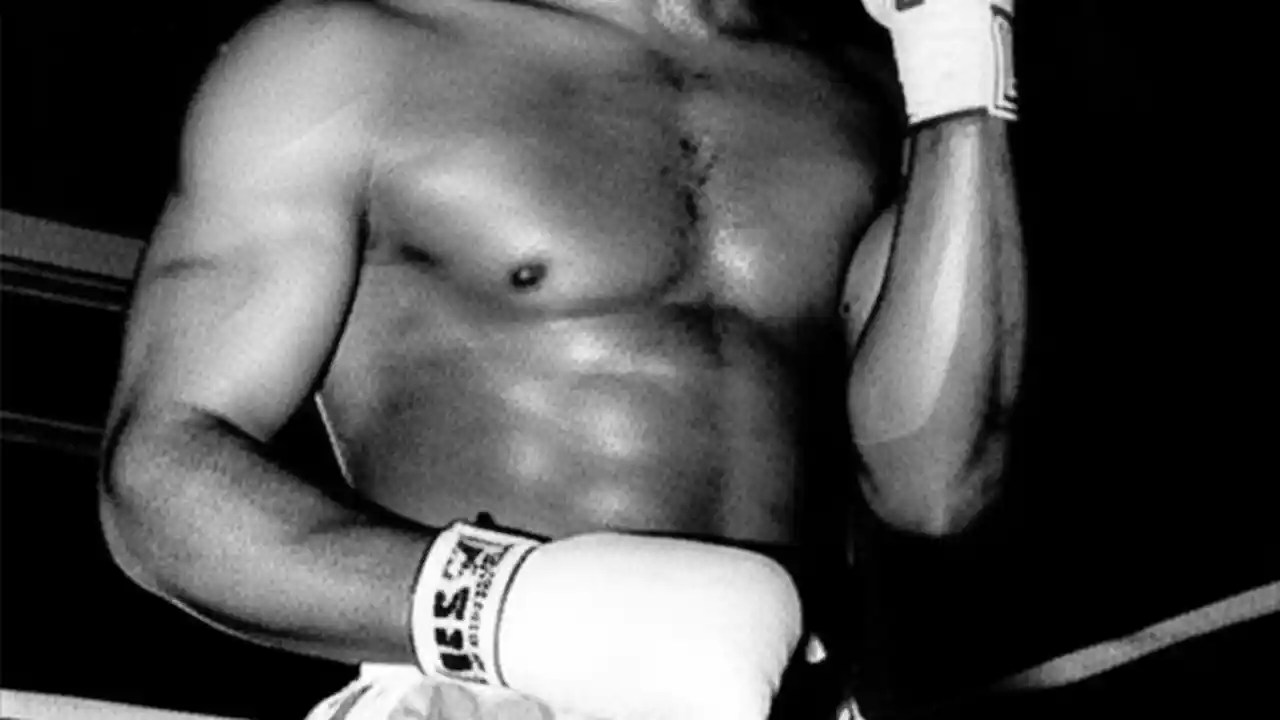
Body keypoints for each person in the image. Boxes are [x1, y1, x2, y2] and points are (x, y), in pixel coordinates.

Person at [98, 0, 1025, 717]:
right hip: (472, 701)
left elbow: (934, 484)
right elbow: (162, 478)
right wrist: (528, 614)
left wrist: (961, 83)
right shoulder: (345, 56)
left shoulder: (863, 95)